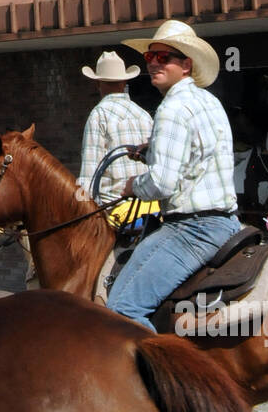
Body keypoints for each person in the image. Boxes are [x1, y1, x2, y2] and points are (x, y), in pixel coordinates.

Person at [106, 19, 240, 331]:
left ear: (186, 64)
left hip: (193, 229)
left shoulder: (171, 109)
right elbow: (197, 157)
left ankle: (157, 379)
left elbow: (162, 184)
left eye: (163, 57)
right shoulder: (210, 101)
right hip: (229, 223)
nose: (153, 64)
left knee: (121, 310)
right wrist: (151, 150)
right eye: (149, 58)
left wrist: (131, 186)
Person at [78, 51, 152, 204]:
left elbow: (90, 171)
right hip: (148, 205)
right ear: (124, 82)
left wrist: (79, 201)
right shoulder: (144, 114)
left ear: (97, 84)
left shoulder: (99, 114)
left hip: (114, 208)